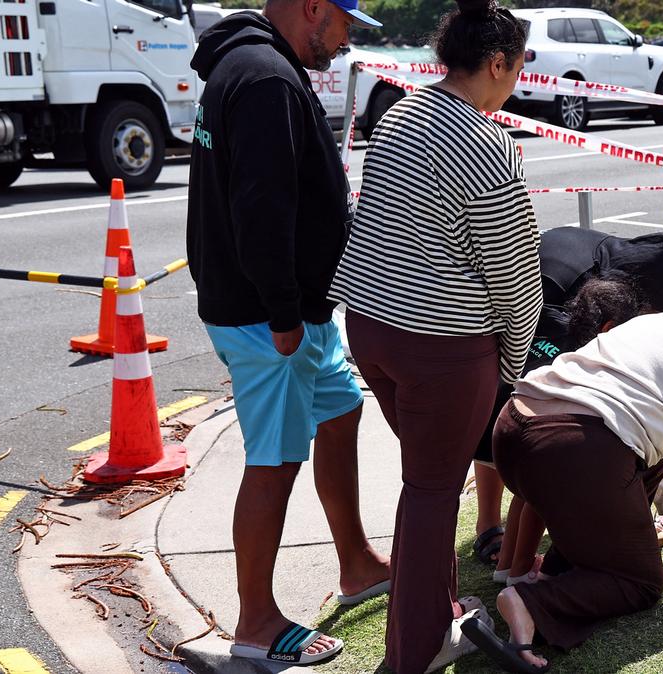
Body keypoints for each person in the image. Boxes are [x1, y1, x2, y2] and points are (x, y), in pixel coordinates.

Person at [326, 0, 540, 670]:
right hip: (442, 344)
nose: (518, 80)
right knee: (431, 491)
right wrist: (512, 365)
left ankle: (439, 611)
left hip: (371, 326)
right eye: (519, 66)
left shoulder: (401, 114)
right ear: (497, 63)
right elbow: (515, 276)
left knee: (426, 478)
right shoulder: (488, 143)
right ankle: (415, 650)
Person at [186, 0, 387, 666]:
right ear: (313, 9)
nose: (346, 41)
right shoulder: (265, 77)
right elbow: (260, 207)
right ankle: (257, 623)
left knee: (342, 408)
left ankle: (356, 561)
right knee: (274, 459)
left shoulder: (248, 63)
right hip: (268, 314)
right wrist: (281, 314)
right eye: (346, 24)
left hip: (292, 306)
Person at [464, 297, 663, 673]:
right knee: (641, 582)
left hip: (513, 428)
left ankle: (554, 572)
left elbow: (641, 428)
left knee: (643, 457)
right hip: (569, 451)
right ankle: (530, 602)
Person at [489, 274, 652, 586]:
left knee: (529, 492)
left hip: (507, 433)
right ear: (609, 330)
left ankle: (509, 566)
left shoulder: (567, 347)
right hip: (538, 443)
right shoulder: (598, 366)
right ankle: (520, 572)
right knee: (544, 490)